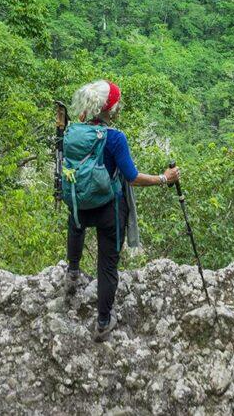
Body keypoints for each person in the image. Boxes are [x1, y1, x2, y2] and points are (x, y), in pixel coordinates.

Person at [62, 79, 179, 341]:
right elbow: (132, 177)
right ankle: (103, 322)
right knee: (107, 264)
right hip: (109, 208)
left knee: (76, 224)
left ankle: (73, 272)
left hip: (80, 204)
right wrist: (164, 178)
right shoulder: (115, 138)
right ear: (111, 110)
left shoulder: (73, 132)